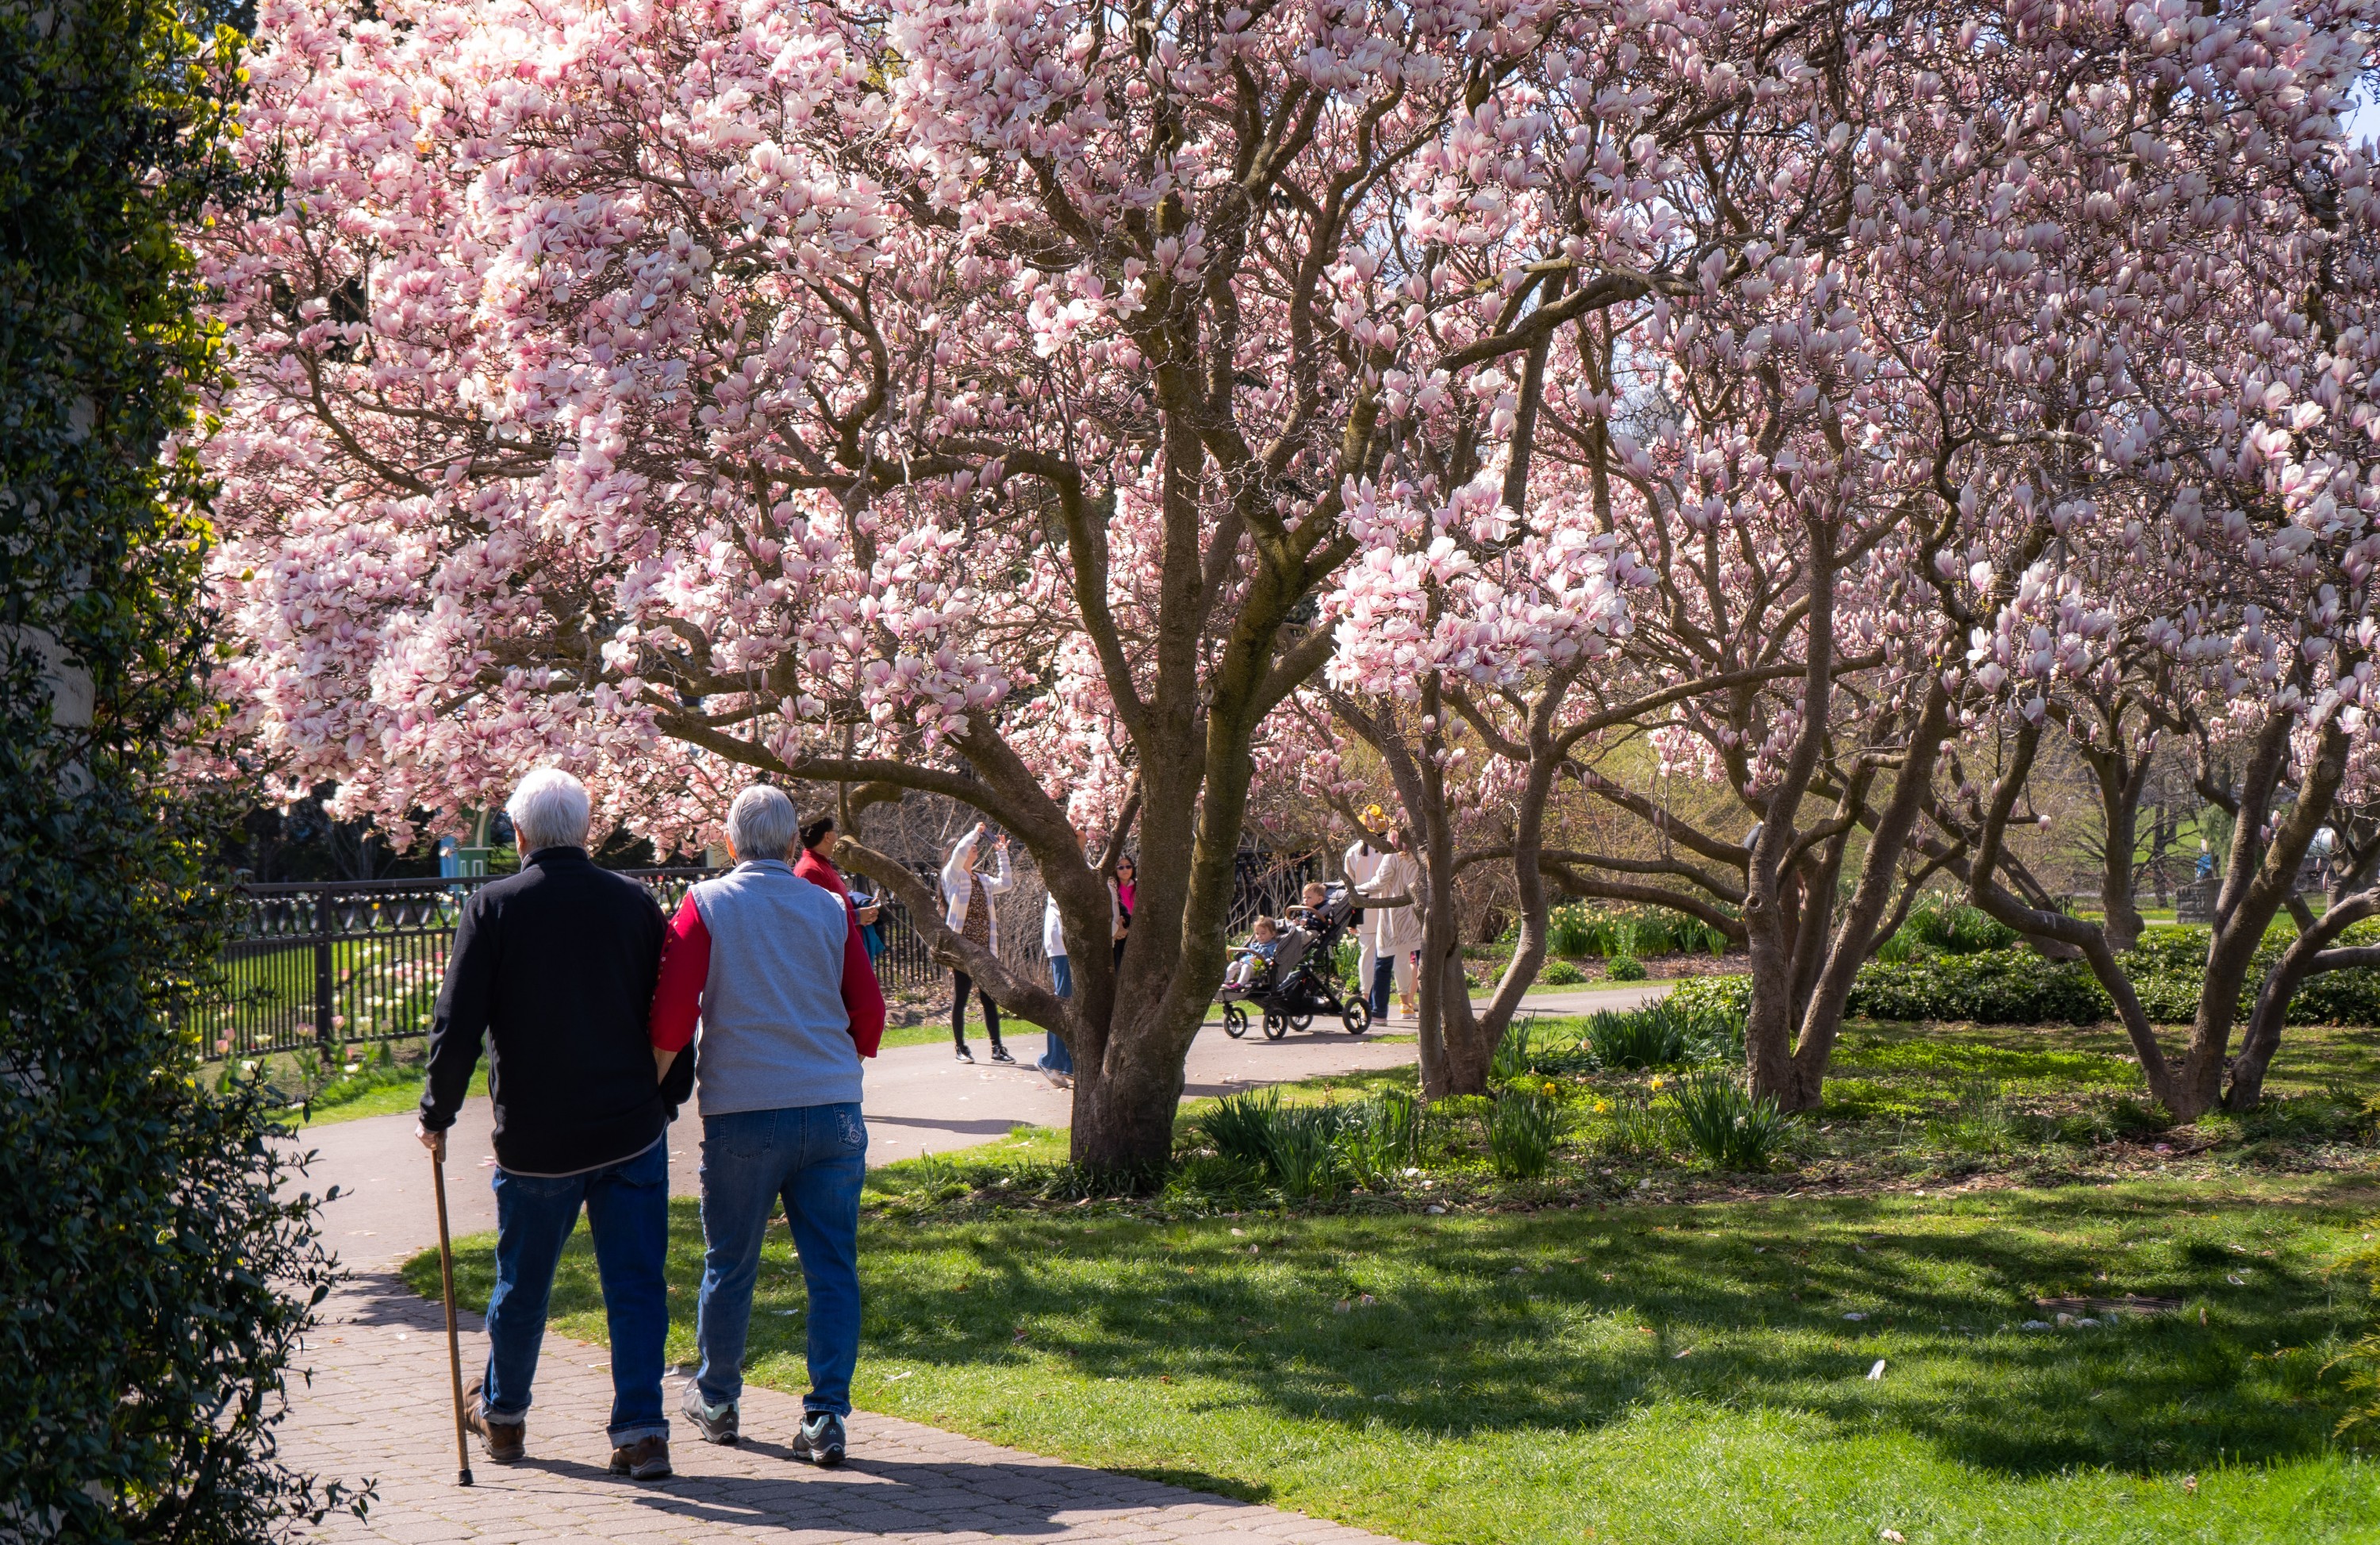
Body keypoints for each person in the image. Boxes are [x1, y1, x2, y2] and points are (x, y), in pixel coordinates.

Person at [416, 767, 678, 1482]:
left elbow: (457, 1023)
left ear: (520, 834)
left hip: (537, 1138)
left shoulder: (494, 906)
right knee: (635, 1283)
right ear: (588, 829)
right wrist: (670, 1097)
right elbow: (674, 1010)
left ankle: (503, 1417)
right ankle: (642, 1431)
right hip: (630, 1127)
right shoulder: (634, 902)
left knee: (523, 1283)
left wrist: (436, 1111)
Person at [648, 785, 885, 1467]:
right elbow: (867, 1016)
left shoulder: (707, 905)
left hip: (743, 1109)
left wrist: (653, 1087)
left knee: (731, 1261)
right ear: (792, 845)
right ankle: (825, 1416)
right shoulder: (831, 907)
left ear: (730, 843)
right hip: (831, 1107)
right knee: (833, 1266)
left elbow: (671, 1017)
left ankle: (718, 1397)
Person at [941, 822, 1015, 1063]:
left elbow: (1006, 883)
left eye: (976, 846)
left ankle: (997, 1048)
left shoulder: (982, 880)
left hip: (984, 949)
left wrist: (1002, 853)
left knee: (988, 998)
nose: (975, 848)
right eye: (971, 847)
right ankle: (960, 1048)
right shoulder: (953, 876)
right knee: (961, 998)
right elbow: (961, 850)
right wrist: (975, 832)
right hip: (962, 949)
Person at [793, 813, 883, 977]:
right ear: (827, 836)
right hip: (834, 961)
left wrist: (860, 906)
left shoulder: (820, 865)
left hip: (844, 951)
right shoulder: (809, 870)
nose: (837, 837)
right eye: (835, 832)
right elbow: (816, 917)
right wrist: (857, 917)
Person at [1358, 830, 1423, 1021]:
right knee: (1411, 960)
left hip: (1394, 915)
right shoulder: (1422, 855)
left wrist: (1355, 890)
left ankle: (1379, 1012)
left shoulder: (1392, 856)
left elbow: (1379, 883)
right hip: (1416, 914)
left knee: (1383, 963)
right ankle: (1408, 1006)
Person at [1344, 809, 1390, 1001]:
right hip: (1389, 908)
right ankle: (1406, 1000)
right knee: (1393, 957)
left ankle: (1365, 995)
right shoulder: (1390, 850)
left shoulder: (1353, 852)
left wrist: (1351, 918)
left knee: (1368, 956)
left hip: (1364, 912)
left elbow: (1348, 886)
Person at [1224, 915, 1282, 989]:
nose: (1259, 936)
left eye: (1263, 933)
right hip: (1248, 965)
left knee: (1246, 966)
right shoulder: (1253, 945)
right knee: (1234, 964)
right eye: (1257, 934)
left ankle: (1239, 985)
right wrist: (1243, 960)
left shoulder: (1274, 946)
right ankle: (1227, 981)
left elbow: (1273, 959)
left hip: (1260, 970)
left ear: (1273, 934)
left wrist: (1260, 961)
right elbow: (1248, 955)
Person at [1111, 853, 1137, 970]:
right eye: (1120, 867)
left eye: (1128, 866)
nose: (1125, 870)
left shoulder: (1140, 887)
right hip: (1120, 935)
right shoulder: (1112, 889)